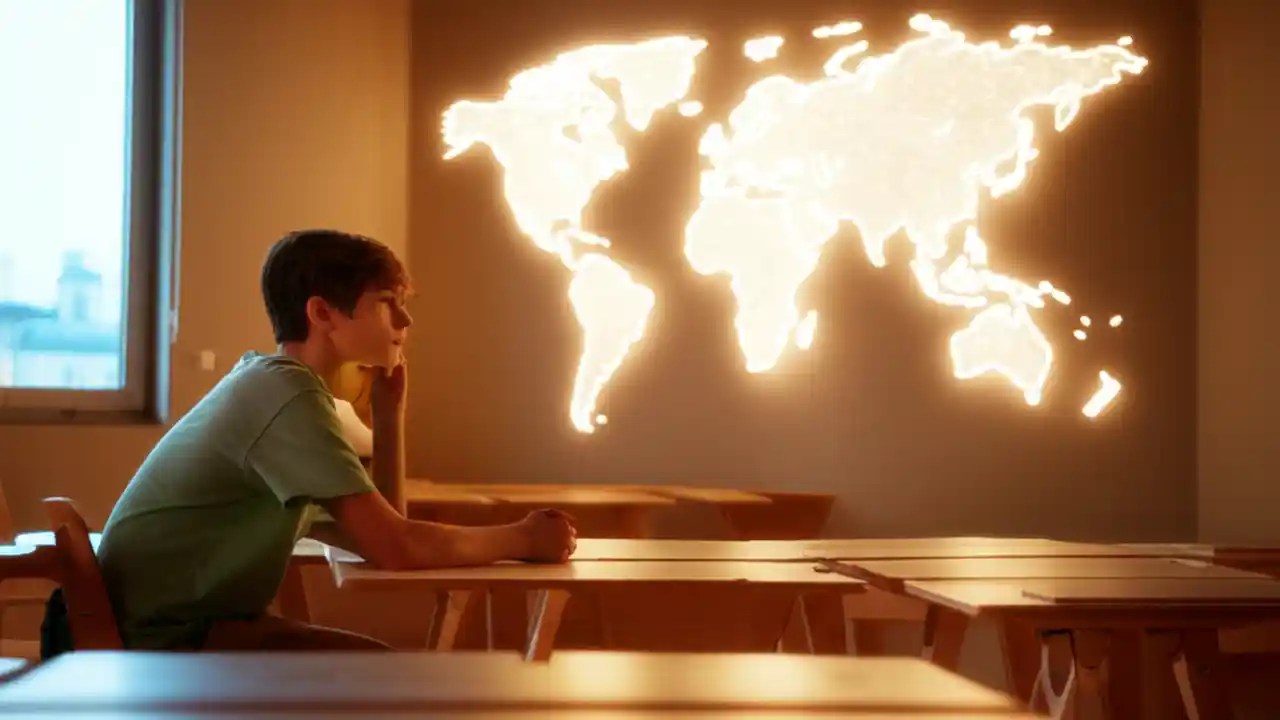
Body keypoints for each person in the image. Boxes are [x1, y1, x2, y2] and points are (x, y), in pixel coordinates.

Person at [74, 229, 576, 652]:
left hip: (169, 628)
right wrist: (524, 538)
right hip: (163, 642)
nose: (405, 322)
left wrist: (388, 417)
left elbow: (382, 535)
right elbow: (396, 547)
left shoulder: (273, 385)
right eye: (386, 304)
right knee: (399, 683)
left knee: (392, 675)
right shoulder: (286, 396)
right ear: (322, 313)